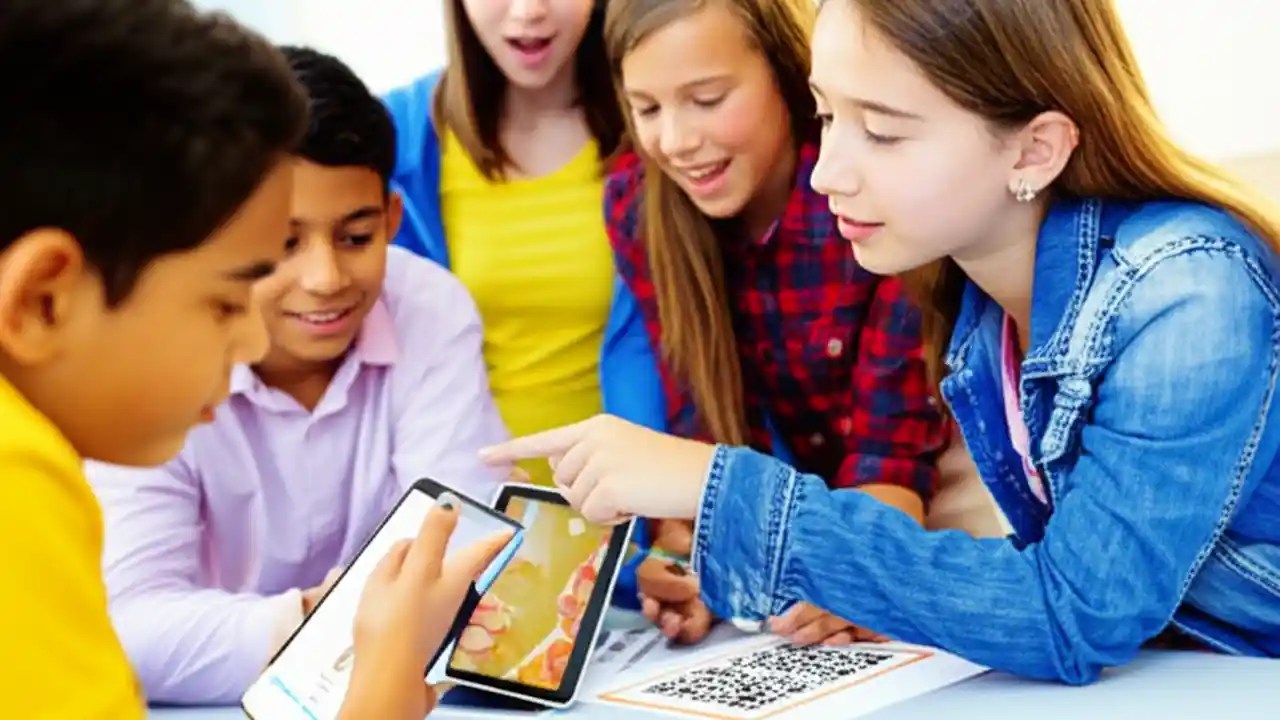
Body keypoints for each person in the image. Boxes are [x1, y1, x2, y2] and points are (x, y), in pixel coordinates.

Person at [480, 0, 1280, 683]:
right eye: (828, 117)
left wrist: (717, 485)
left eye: (884, 133)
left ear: (1035, 149)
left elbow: (1070, 614)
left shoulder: (1187, 291)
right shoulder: (980, 297)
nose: (826, 172)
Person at [0, 2, 507, 718]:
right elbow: (136, 629)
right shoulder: (19, 482)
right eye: (226, 299)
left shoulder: (38, 467)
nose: (249, 342)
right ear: (43, 302)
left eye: (355, 236)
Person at [598, 0, 948, 646]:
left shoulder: (865, 191)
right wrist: (687, 561)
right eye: (647, 109)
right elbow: (700, 428)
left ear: (788, 73)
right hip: (815, 519)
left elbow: (892, 452)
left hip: (929, 490)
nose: (675, 140)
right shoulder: (638, 209)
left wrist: (851, 571)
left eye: (706, 100)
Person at [383, 0, 627, 490]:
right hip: (466, 505)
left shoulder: (656, 119)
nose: (529, 11)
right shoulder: (397, 137)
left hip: (634, 503)